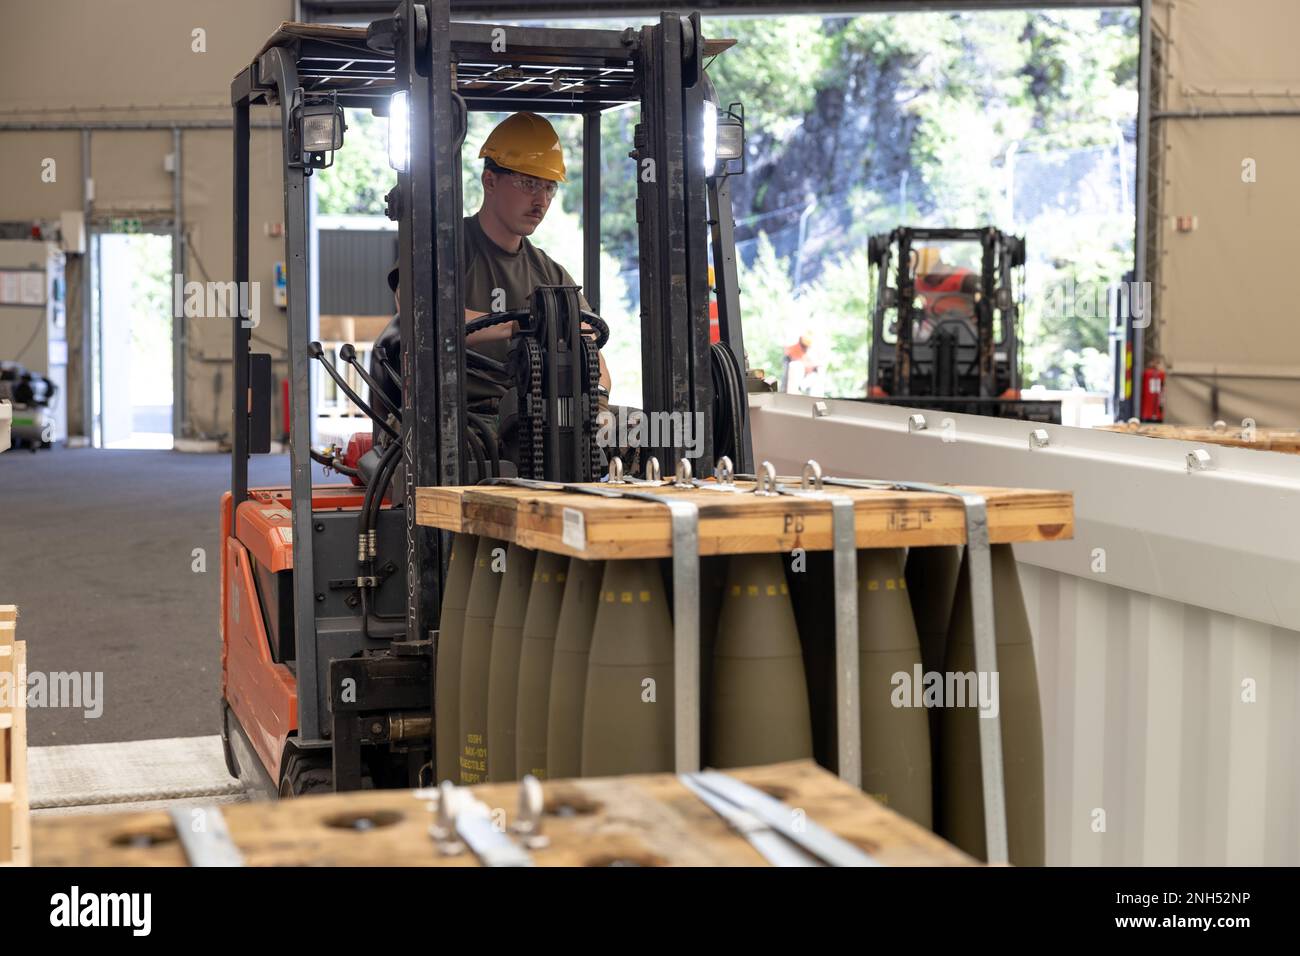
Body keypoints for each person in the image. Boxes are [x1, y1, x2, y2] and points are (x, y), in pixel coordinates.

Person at [372, 111, 608, 419]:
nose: (541, 200)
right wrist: (517, 325)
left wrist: (598, 399)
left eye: (549, 187)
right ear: (490, 181)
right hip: (455, 418)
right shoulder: (443, 249)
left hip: (532, 416)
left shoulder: (550, 274)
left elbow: (591, 344)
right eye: (528, 183)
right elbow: (419, 316)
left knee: (643, 432)